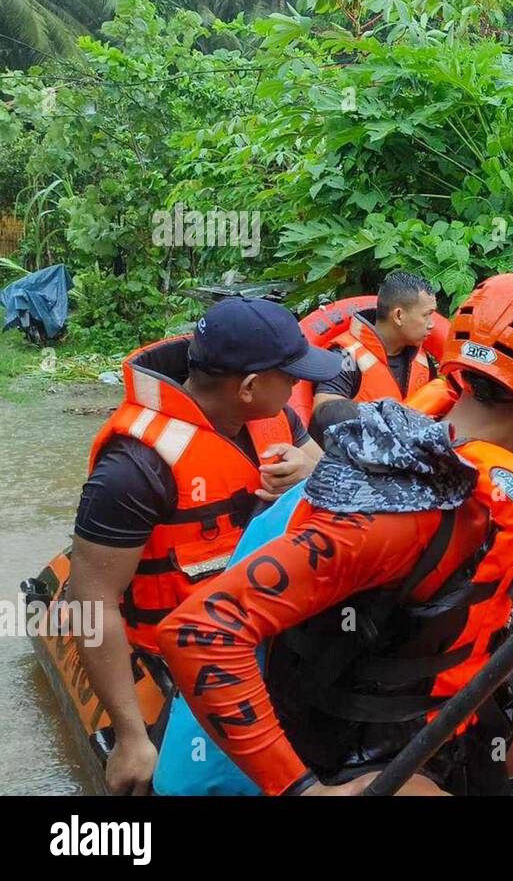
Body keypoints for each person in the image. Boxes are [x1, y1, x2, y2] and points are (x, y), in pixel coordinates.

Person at [158, 274, 513, 796]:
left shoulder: (494, 477)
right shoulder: (399, 510)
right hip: (364, 752)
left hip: (460, 702)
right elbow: (200, 631)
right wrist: (299, 789)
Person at [69, 297, 341, 795]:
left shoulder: (275, 417)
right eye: (292, 375)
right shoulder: (134, 467)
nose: (300, 385)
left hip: (270, 634)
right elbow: (90, 598)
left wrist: (311, 474)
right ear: (250, 387)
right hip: (180, 656)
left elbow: (333, 480)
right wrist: (131, 736)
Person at [312, 271, 439, 413]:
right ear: (399, 316)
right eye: (427, 315)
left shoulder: (421, 359)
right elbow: (324, 415)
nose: (432, 324)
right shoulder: (344, 356)